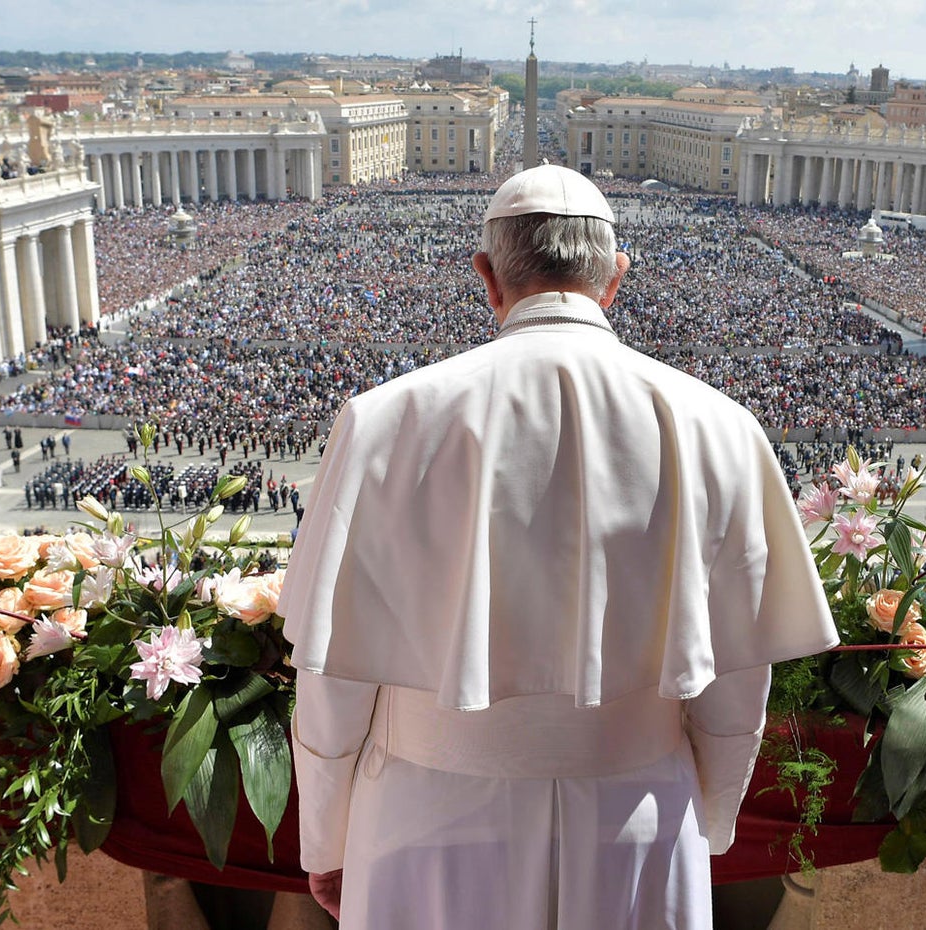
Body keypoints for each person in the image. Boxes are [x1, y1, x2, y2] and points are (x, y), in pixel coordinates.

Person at [279, 165, 838, 930]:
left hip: (426, 814)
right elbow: (736, 681)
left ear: (486, 276)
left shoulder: (384, 419)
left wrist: (326, 837)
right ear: (616, 279)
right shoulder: (723, 425)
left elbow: (333, 676)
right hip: (636, 810)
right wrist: (707, 818)